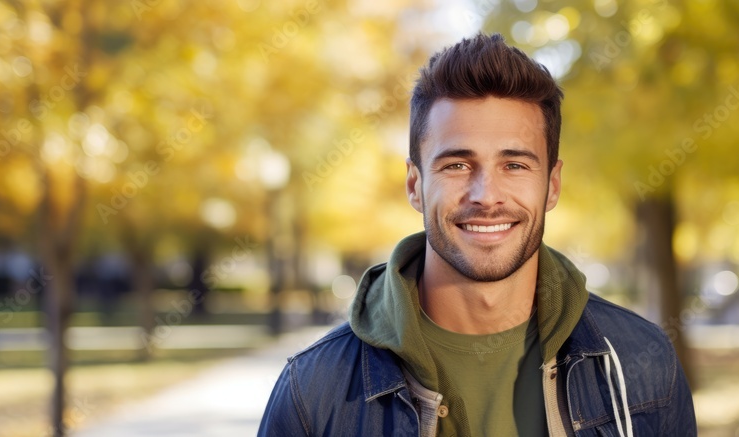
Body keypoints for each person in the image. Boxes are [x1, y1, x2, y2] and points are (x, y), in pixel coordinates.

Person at [259, 33, 697, 437]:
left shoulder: (643, 364)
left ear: (553, 185)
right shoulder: (313, 391)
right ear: (415, 185)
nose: (487, 196)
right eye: (457, 165)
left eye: (515, 165)